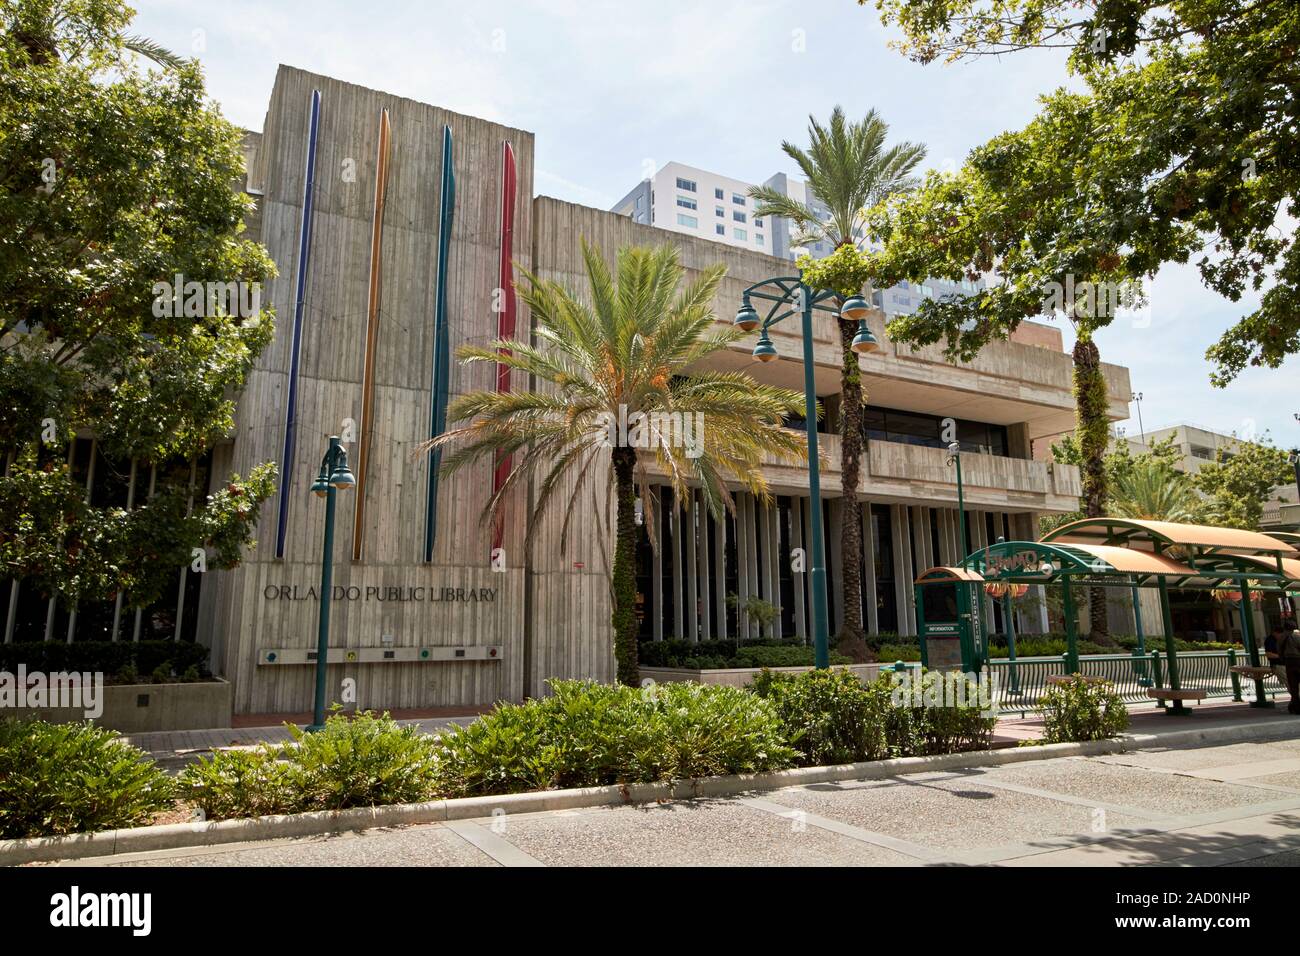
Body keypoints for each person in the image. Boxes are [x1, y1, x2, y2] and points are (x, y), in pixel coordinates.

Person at [1283, 629, 1300, 716]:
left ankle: (1295, 707)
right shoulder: (1296, 637)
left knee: (1293, 686)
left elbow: (1279, 650)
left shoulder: (1282, 638)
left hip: (1288, 663)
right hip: (1298, 661)